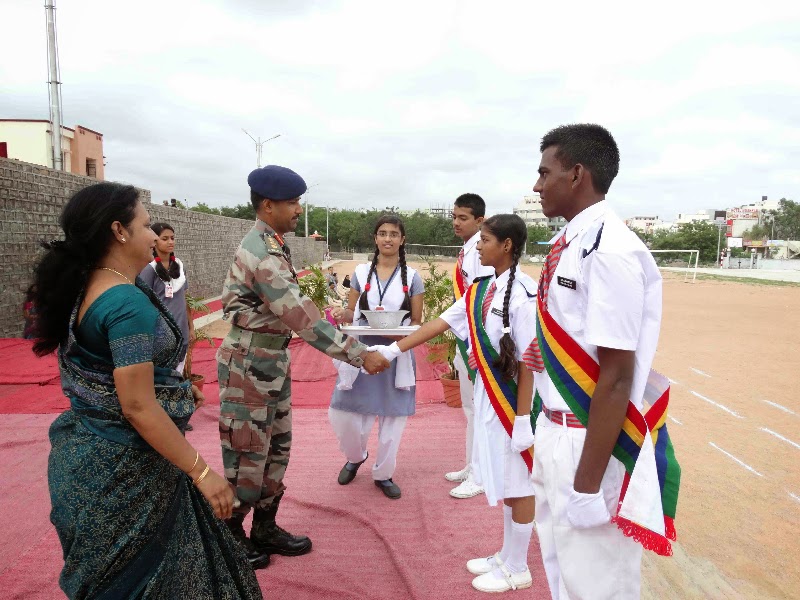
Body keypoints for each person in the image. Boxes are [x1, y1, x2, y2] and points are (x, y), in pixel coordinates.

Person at [31, 182, 261, 599]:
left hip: (84, 458)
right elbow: (136, 405)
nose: (154, 236)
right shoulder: (125, 301)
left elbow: (112, 372)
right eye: (145, 225)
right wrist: (203, 472)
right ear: (119, 231)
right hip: (127, 470)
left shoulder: (89, 286)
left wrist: (176, 388)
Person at [529, 124, 680, 599]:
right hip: (556, 431)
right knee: (561, 573)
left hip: (590, 443)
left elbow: (617, 376)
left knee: (598, 585)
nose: (536, 186)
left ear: (576, 174)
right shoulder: (570, 243)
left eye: (544, 173)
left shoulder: (610, 249)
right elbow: (579, 341)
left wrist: (588, 485)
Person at [217, 165, 389, 569]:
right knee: (247, 451)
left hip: (269, 358)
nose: (298, 209)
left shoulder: (274, 244)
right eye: (293, 202)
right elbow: (300, 316)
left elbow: (290, 310)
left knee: (275, 448)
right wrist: (360, 355)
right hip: (249, 363)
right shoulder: (261, 250)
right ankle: (230, 535)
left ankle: (265, 526)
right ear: (267, 205)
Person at [374, 214, 539, 593]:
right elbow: (440, 324)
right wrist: (393, 349)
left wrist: (525, 418)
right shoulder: (482, 290)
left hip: (513, 402)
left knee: (518, 482)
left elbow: (530, 358)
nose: (477, 246)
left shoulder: (524, 294)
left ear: (507, 246)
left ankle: (518, 567)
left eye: (484, 240)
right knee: (504, 477)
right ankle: (505, 554)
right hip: (489, 396)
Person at [327, 215, 424, 500]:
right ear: (375, 238)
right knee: (344, 415)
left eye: (394, 234)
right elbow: (351, 312)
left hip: (397, 354)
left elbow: (417, 320)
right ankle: (356, 456)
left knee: (392, 422)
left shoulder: (413, 277)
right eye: (382, 233)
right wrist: (341, 314)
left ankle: (383, 474)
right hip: (363, 352)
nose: (388, 239)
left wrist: (397, 334)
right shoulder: (360, 272)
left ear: (402, 240)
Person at [446, 193, 495, 499]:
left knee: (479, 408)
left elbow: (483, 298)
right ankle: (471, 464)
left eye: (463, 217)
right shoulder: (467, 249)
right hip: (464, 336)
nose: (456, 222)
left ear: (479, 220)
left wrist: (477, 344)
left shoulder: (480, 250)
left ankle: (480, 473)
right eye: (454, 216)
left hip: (476, 338)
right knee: (469, 407)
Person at [139, 223, 193, 374]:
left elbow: (184, 297)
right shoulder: (149, 269)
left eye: (172, 238)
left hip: (182, 328)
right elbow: (144, 302)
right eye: (165, 238)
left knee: (179, 372)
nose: (170, 242)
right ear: (155, 242)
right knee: (165, 375)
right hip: (162, 332)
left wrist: (191, 326)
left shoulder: (179, 266)